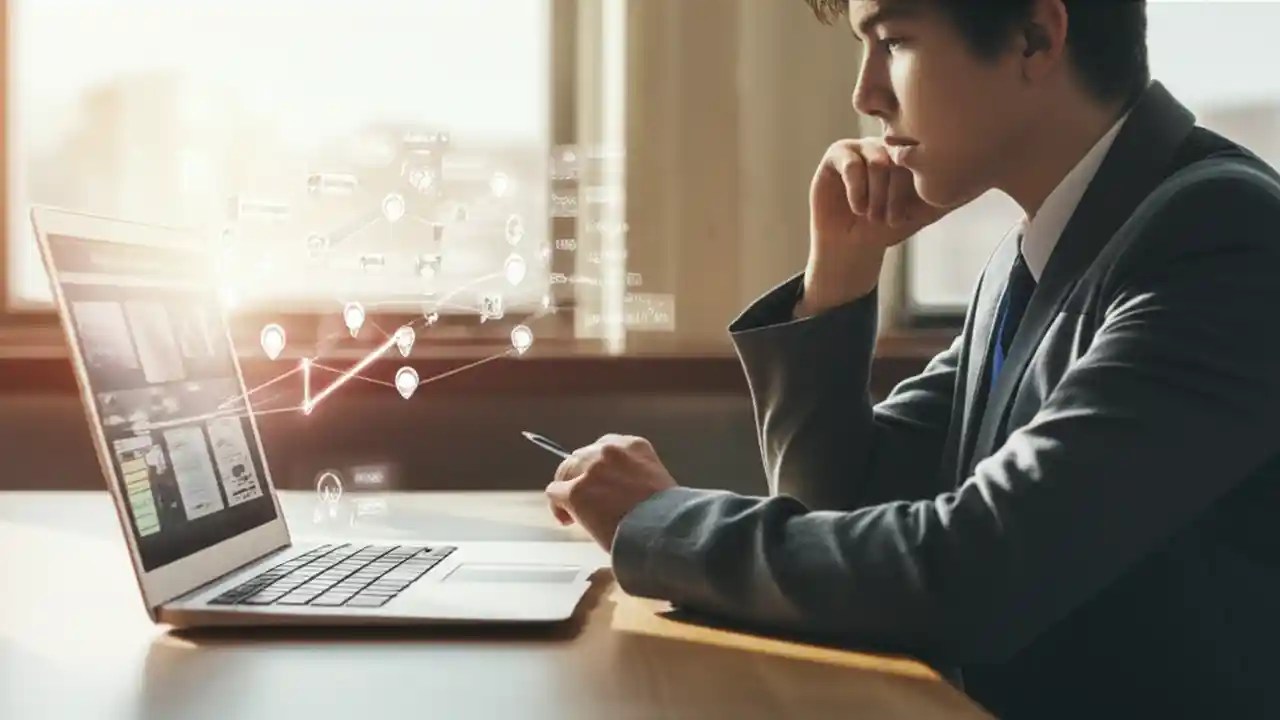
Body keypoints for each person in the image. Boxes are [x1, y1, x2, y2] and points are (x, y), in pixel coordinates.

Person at [544, 0, 1280, 716]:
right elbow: (839, 507)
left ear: (1033, 37)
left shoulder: (1219, 236)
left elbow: (973, 574)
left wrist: (660, 524)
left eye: (893, 41)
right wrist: (840, 272)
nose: (865, 95)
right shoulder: (1040, 255)